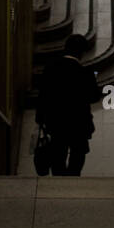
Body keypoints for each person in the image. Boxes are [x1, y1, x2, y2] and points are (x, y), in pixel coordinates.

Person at [35, 33, 103, 176]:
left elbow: (43, 95)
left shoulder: (51, 68)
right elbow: (94, 96)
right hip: (79, 122)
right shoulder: (85, 73)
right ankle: (73, 177)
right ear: (82, 53)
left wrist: (40, 118)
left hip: (55, 120)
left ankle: (59, 178)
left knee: (58, 150)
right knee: (78, 151)